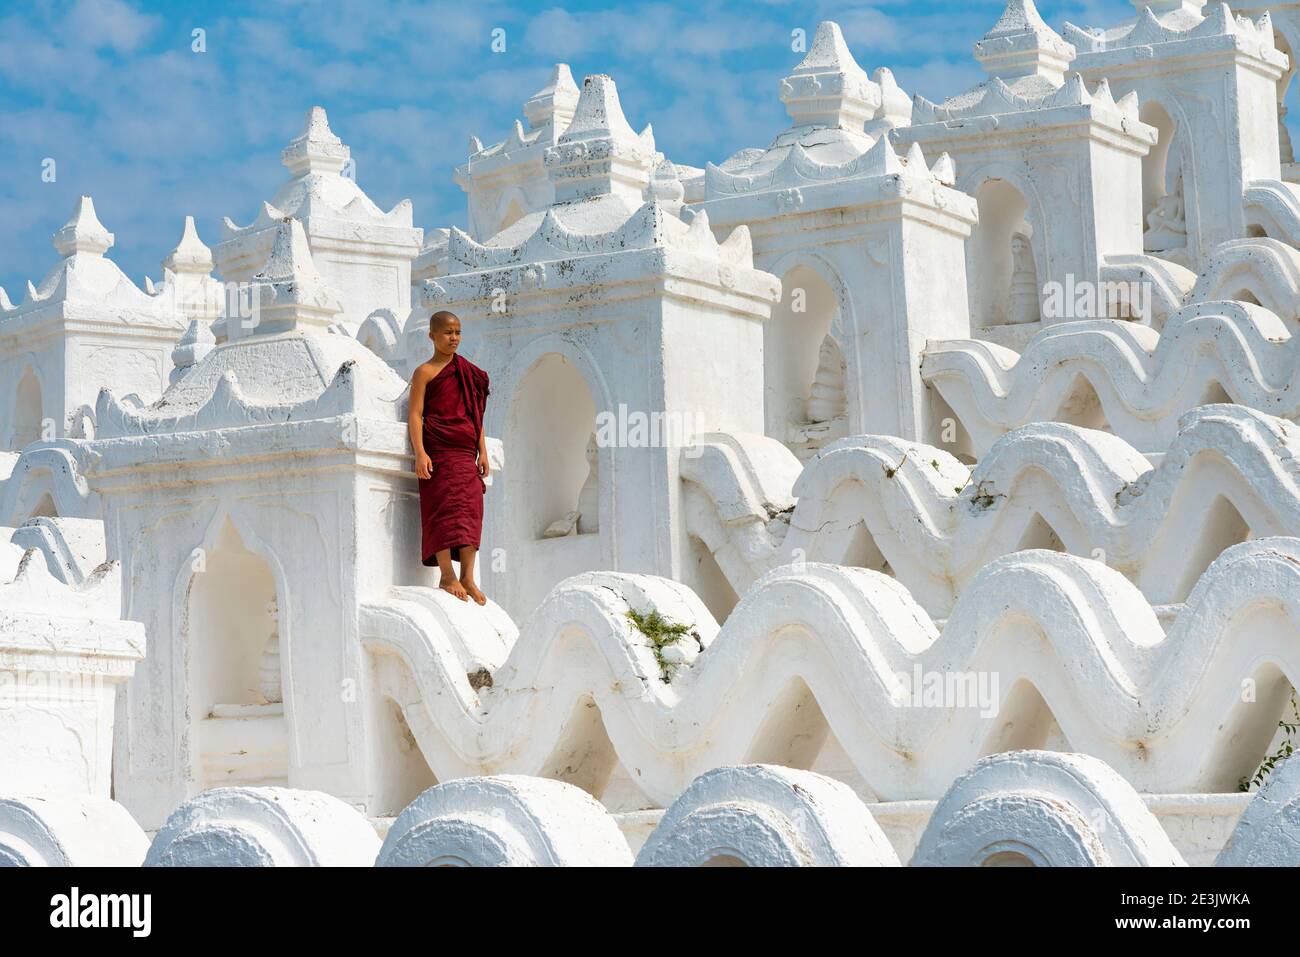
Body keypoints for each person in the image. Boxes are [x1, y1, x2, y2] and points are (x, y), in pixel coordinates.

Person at [408, 310, 491, 603]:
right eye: (447, 333)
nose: (453, 338)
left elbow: (475, 415)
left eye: (457, 332)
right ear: (432, 336)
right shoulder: (425, 372)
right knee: (440, 511)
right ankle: (447, 575)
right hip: (438, 453)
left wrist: (482, 451)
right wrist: (420, 453)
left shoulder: (468, 372)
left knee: (471, 512)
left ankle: (468, 576)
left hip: (465, 455)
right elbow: (416, 415)